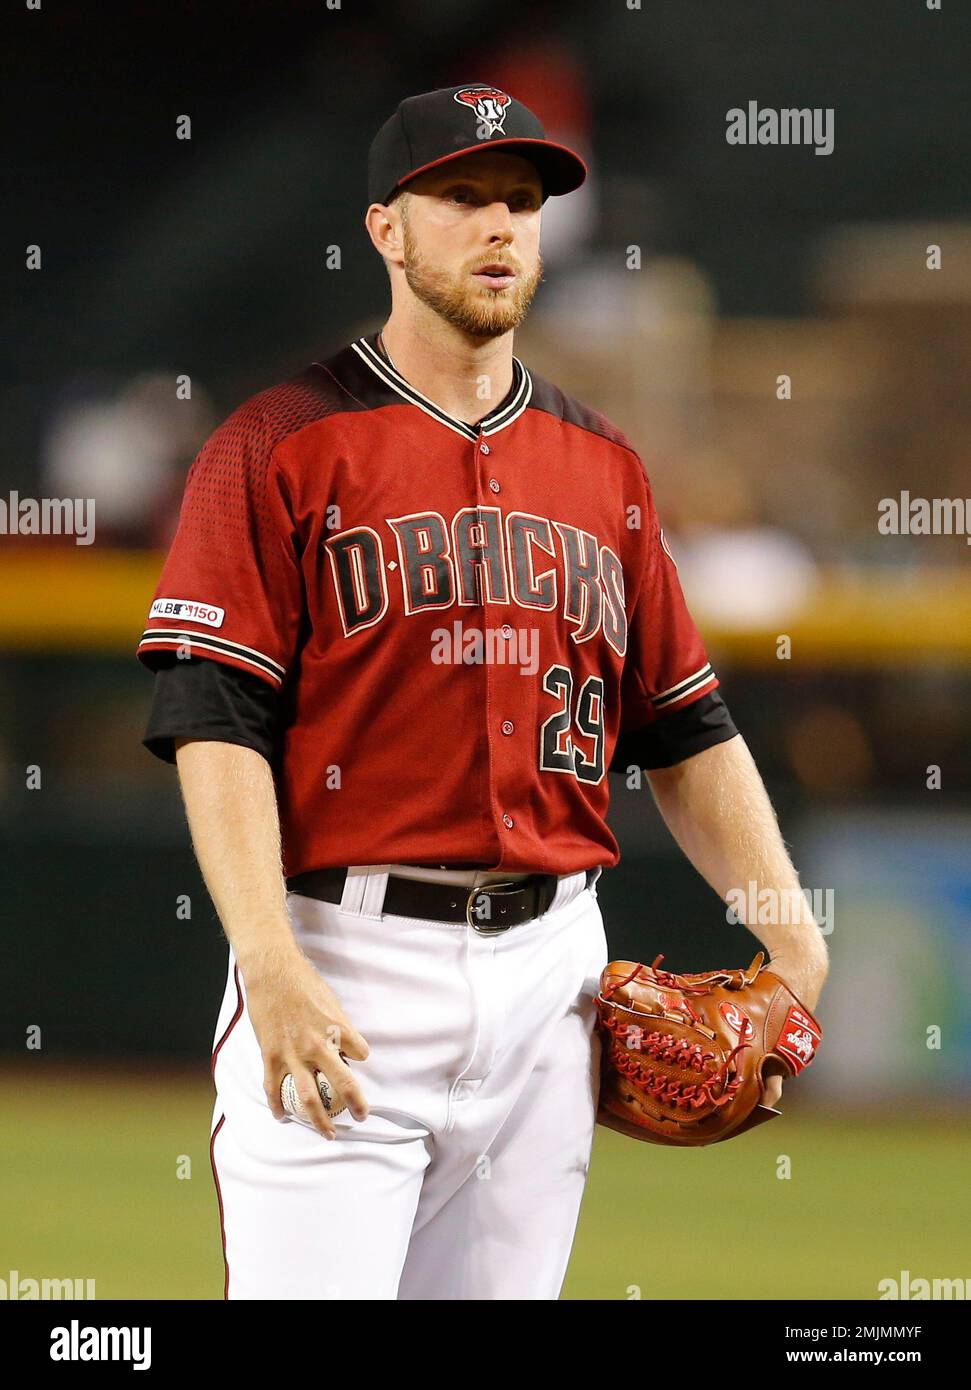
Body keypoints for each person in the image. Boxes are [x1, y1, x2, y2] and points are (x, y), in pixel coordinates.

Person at [138, 84, 828, 1301]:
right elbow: (214, 720)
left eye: (520, 200)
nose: (499, 225)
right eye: (459, 197)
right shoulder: (278, 443)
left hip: (552, 977)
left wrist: (791, 933)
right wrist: (267, 960)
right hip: (342, 961)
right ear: (385, 229)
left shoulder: (601, 465)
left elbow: (682, 726)